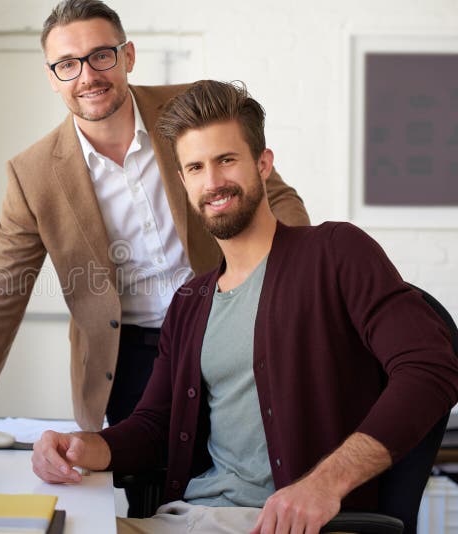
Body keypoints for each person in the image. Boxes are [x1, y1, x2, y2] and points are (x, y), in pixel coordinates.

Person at [0, 0, 308, 454]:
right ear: (51, 76)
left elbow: (276, 196)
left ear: (128, 56)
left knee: (251, 470)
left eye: (101, 55)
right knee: (145, 498)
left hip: (225, 326)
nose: (87, 76)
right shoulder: (33, 174)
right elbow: (2, 297)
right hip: (129, 359)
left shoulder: (190, 108)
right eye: (66, 64)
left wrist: (289, 283)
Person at [30, 79, 458, 533]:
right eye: (195, 167)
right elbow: (154, 425)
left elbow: (431, 367)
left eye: (226, 160)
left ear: (263, 164)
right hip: (184, 519)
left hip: (278, 524)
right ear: (182, 182)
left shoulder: (334, 253)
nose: (212, 182)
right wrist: (80, 446)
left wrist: (324, 485)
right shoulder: (190, 302)